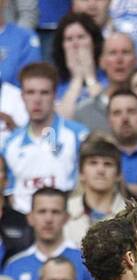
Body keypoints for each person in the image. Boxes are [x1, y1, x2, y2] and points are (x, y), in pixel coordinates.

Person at [2, 62, 87, 214]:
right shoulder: (9, 144)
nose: (37, 100)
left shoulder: (78, 136)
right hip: (22, 225)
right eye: (30, 92)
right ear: (22, 96)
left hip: (68, 220)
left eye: (44, 92)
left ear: (55, 95)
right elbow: (9, 192)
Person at [3, 187, 91, 280]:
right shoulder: (14, 266)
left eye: (55, 212)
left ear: (66, 217)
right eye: (42, 211)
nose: (48, 219)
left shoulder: (86, 261)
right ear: (30, 218)